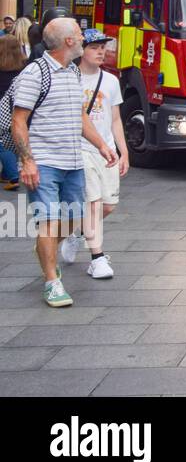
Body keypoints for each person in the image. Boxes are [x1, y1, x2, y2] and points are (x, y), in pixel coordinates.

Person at [13, 18, 117, 308]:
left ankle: (44, 251)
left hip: (73, 161)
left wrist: (102, 145)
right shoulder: (35, 73)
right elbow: (18, 121)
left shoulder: (72, 71)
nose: (84, 37)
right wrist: (27, 161)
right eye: (79, 33)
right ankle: (52, 281)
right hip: (44, 162)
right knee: (48, 221)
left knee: (72, 220)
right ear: (69, 41)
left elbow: (80, 115)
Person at [58, 30, 128, 280]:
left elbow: (116, 119)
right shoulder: (68, 79)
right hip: (81, 150)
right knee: (94, 203)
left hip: (107, 151)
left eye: (103, 47)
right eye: (94, 47)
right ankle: (97, 259)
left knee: (108, 206)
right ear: (81, 51)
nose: (101, 51)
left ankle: (76, 232)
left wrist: (124, 152)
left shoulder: (111, 80)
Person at [0, 34, 24, 191]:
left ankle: (12, 174)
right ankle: (6, 173)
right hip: (18, 108)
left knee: (2, 142)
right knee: (13, 139)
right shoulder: (24, 67)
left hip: (2, 110)